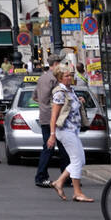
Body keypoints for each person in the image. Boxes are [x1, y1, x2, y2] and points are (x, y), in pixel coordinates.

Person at [47, 64, 94, 202]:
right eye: (66, 76)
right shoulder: (59, 92)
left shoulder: (70, 90)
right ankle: (77, 192)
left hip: (73, 130)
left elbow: (70, 106)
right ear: (60, 78)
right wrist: (52, 134)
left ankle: (59, 182)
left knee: (80, 160)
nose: (70, 77)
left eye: (71, 75)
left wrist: (79, 101)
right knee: (77, 160)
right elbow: (54, 116)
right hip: (65, 130)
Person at [32, 55, 62, 188]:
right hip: (53, 117)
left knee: (60, 148)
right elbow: (45, 98)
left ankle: (66, 177)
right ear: (55, 64)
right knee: (50, 147)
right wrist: (53, 106)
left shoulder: (42, 78)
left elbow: (35, 97)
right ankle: (41, 176)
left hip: (46, 116)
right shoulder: (53, 78)